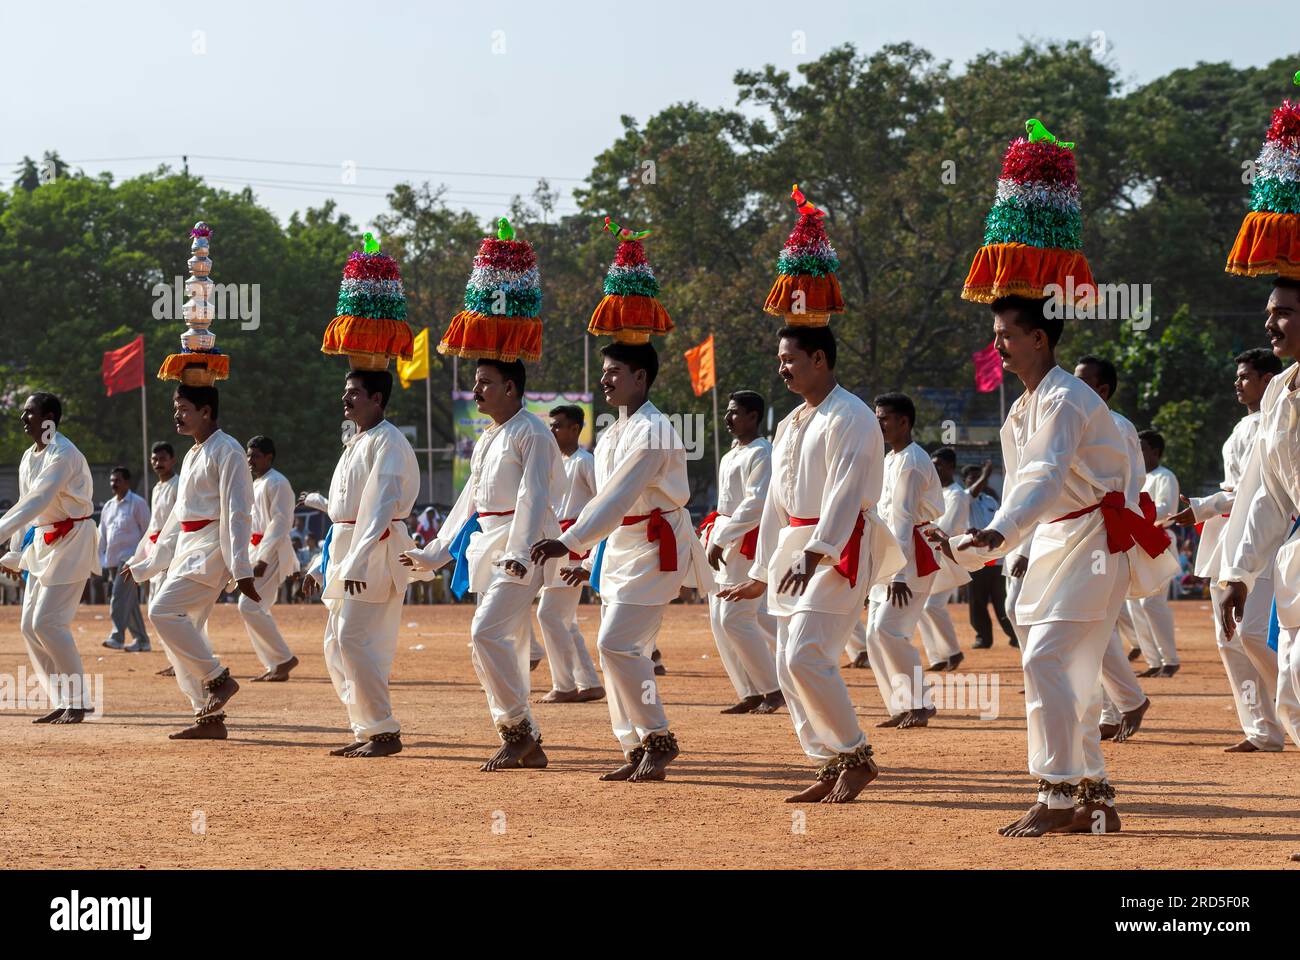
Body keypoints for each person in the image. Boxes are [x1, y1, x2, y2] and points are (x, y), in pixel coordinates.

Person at [936, 296, 1175, 837]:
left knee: (1045, 659)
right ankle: (1094, 799)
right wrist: (993, 536)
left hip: (1092, 538)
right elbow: (1030, 487)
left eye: (1005, 334)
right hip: (1054, 539)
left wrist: (1001, 528)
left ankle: (1058, 791)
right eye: (995, 334)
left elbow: (1044, 477)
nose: (996, 344)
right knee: (1073, 672)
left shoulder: (1066, 398)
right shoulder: (1024, 406)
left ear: (1039, 339)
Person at [720, 326, 902, 802]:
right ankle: (828, 762)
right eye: (780, 359)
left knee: (805, 655)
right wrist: (760, 572)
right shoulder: (790, 423)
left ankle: (856, 756)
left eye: (789, 359)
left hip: (839, 545)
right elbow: (774, 502)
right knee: (786, 663)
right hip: (795, 547)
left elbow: (846, 489)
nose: (781, 367)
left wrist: (818, 549)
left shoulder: (853, 415)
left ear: (819, 359)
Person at [531, 341, 713, 783]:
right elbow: (609, 504)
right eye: (605, 372)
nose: (605, 379)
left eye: (614, 371)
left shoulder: (654, 430)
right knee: (614, 649)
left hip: (654, 549)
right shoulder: (613, 431)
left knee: (617, 644)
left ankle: (658, 738)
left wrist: (570, 540)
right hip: (621, 549)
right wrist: (591, 557)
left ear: (641, 378)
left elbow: (617, 499)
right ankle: (635, 745)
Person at [403, 360, 562, 770]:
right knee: (484, 645)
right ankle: (526, 739)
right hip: (489, 545)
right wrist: (435, 552)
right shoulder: (489, 437)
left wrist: (519, 552)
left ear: (510, 388)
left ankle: (519, 732)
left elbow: (534, 496)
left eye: (484, 383)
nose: (475, 391)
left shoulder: (533, 433)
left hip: (523, 548)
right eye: (476, 383)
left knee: (485, 633)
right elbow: (467, 504)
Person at [125, 384, 259, 739]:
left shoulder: (228, 450)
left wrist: (241, 567)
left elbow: (238, 511)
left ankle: (219, 678)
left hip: (212, 549)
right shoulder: (192, 454)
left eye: (184, 408)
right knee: (180, 637)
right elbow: (174, 520)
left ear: (206, 412)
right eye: (176, 407)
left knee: (161, 611)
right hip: (189, 547)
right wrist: (146, 565)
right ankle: (207, 718)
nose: (177, 415)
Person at [299, 370, 422, 757]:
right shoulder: (356, 442)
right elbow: (343, 516)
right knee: (336, 643)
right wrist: (321, 563)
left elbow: (378, 511)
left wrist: (355, 561)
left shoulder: (388, 443)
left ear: (378, 399)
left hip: (373, 555)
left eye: (354, 393)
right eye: (345, 391)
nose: (345, 398)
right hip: (348, 553)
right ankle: (366, 727)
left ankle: (384, 731)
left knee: (355, 640)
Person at [1171, 348, 1284, 751]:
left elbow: (1257, 494)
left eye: (1246, 376)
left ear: (1269, 379)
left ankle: (1290, 708)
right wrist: (1204, 507)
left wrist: (1202, 506)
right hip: (1226, 537)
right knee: (1229, 640)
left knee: (1255, 634)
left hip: (1263, 539)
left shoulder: (1275, 421)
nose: (1238, 383)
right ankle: (1263, 729)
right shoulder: (1241, 427)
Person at [1220, 278, 1300, 751]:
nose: (1270, 323)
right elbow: (1266, 492)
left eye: (1284, 312)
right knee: (1291, 687)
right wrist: (1239, 572)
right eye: (1271, 312)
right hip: (1293, 559)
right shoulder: (1279, 393)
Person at [0, 393, 100, 723]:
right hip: (44, 541)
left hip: (72, 540)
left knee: (48, 622)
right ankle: (64, 699)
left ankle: (80, 701)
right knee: (30, 626)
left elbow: (38, 501)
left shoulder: (64, 453)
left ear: (50, 418)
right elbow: (25, 508)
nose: (23, 419)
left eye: (30, 413)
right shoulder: (30, 456)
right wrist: (14, 552)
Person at [1072, 356, 1151, 742]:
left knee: (1090, 623)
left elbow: (1128, 487)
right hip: (1077, 535)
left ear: (1102, 390)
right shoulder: (1075, 419)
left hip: (1105, 533)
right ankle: (1113, 706)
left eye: (1084, 381)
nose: (1074, 387)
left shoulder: (1117, 426)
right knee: (1090, 625)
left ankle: (1127, 699)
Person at [863, 392, 945, 728]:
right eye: (877, 417)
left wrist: (897, 572)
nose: (878, 423)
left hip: (911, 554)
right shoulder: (891, 459)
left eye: (884, 418)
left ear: (904, 422)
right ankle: (902, 704)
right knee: (873, 634)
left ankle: (921, 703)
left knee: (890, 630)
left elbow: (902, 518)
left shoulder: (912, 461)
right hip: (891, 552)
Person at [700, 391, 783, 715]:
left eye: (735, 413)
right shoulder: (732, 453)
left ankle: (773, 688)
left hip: (745, 541)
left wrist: (721, 537)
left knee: (736, 616)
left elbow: (755, 504)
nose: (728, 418)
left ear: (753, 416)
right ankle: (749, 690)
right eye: (729, 412)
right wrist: (715, 536)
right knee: (720, 620)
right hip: (723, 535)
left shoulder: (763, 452)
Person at [535, 404, 605, 704]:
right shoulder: (554, 464)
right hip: (556, 543)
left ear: (576, 429)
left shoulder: (585, 461)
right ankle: (586, 682)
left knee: (549, 613)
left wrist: (587, 542)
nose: (552, 431)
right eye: (551, 425)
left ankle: (564, 684)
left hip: (574, 545)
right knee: (564, 619)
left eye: (558, 425)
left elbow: (603, 503)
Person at [239, 436, 300, 681]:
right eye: (248, 455)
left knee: (249, 606)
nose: (249, 460)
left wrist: (263, 557)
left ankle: (283, 659)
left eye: (254, 455)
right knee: (255, 608)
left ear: (269, 457)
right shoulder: (254, 484)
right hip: (256, 549)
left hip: (272, 551)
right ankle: (275, 663)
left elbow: (281, 522)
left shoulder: (278, 482)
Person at [1130, 430, 1181, 678]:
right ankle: (1153, 661)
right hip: (1136, 543)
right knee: (1135, 604)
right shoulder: (1133, 478)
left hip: (1158, 541)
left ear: (1155, 452)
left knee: (1152, 602)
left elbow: (1168, 510)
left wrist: (1136, 510)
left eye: (1141, 449)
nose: (1137, 453)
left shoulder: (1165, 477)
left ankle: (1170, 659)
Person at [917, 447, 972, 672]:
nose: (935, 468)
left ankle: (953, 652)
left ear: (951, 467)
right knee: (921, 606)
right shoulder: (934, 492)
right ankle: (937, 657)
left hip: (948, 559)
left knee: (931, 605)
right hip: (930, 555)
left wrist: (922, 530)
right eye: (933, 464)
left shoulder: (957, 495)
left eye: (939, 464)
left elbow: (944, 529)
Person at [963, 462, 1019, 649]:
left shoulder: (990, 500)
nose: (979, 481)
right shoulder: (962, 498)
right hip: (975, 559)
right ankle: (983, 637)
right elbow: (972, 491)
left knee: (1001, 599)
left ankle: (1014, 635)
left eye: (980, 476)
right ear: (966, 481)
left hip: (995, 558)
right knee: (977, 602)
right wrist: (985, 475)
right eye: (973, 478)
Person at [98, 466, 151, 652]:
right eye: (112, 480)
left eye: (117, 480)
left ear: (127, 482)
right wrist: (98, 561)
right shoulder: (108, 506)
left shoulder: (138, 503)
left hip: (130, 560)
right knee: (129, 602)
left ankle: (117, 636)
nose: (113, 484)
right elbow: (102, 535)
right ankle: (142, 640)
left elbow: (147, 532)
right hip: (112, 562)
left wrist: (145, 560)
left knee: (118, 598)